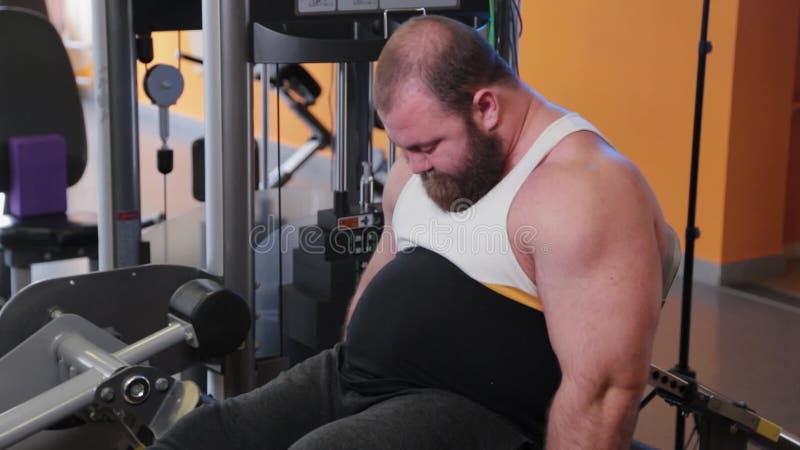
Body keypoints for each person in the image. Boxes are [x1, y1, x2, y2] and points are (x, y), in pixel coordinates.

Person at [152, 14, 667, 450]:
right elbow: (389, 257)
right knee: (200, 436)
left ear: (486, 108)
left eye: (425, 146)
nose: (412, 165)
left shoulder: (586, 189)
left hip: (473, 410)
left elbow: (603, 390)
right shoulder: (424, 162)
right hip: (352, 374)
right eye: (402, 147)